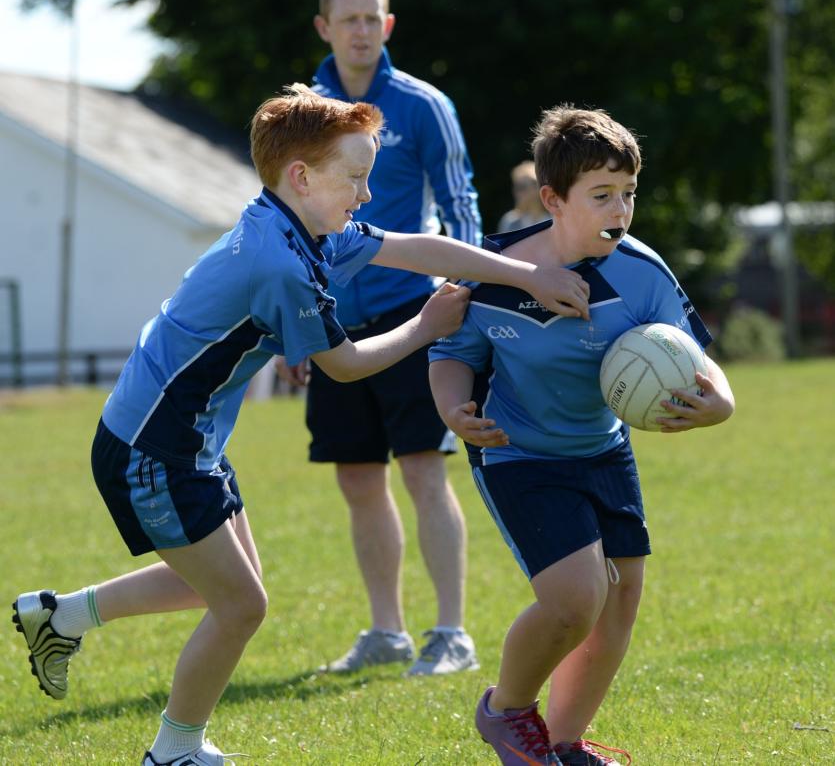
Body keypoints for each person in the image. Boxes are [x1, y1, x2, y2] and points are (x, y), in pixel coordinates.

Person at [12, 86, 590, 766]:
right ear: (301, 176)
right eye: (355, 178)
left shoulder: (294, 226)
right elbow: (343, 365)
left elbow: (416, 248)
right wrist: (425, 326)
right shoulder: (280, 261)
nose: (366, 195)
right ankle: (172, 752)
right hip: (154, 450)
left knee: (221, 585)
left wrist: (524, 273)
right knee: (241, 606)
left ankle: (61, 615)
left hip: (182, 443)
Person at [428, 105, 735, 766]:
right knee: (574, 599)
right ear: (551, 199)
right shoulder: (494, 269)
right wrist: (455, 409)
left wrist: (720, 404)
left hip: (604, 448)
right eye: (601, 196)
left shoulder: (642, 273)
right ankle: (505, 712)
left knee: (619, 601)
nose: (619, 209)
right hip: (518, 453)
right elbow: (450, 353)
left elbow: (696, 359)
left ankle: (560, 747)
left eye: (627, 194)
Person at [276, 0, 486, 676]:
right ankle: (386, 631)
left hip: (413, 314)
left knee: (424, 468)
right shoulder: (298, 116)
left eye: (372, 18)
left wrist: (464, 301)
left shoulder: (424, 107)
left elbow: (461, 208)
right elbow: (283, 225)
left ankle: (450, 633)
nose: (361, 30)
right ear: (323, 29)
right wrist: (290, 325)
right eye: (348, 20)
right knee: (359, 479)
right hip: (329, 319)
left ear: (387, 26)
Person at [497, 160, 551, 233]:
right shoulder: (510, 221)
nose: (517, 193)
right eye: (516, 187)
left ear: (537, 187)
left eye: (521, 187)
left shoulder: (555, 219)